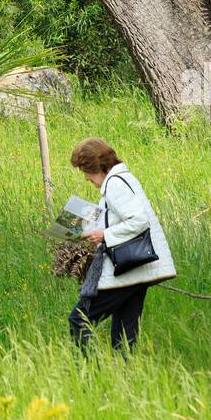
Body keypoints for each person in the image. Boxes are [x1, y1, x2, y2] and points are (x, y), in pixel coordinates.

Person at [68, 137, 175, 354]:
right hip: (136, 270)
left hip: (126, 269)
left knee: (79, 320)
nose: (86, 177)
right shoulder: (123, 179)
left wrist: (104, 234)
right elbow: (120, 218)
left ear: (96, 167)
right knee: (124, 334)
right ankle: (124, 378)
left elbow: (137, 220)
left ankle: (87, 374)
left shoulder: (115, 184)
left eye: (85, 171)